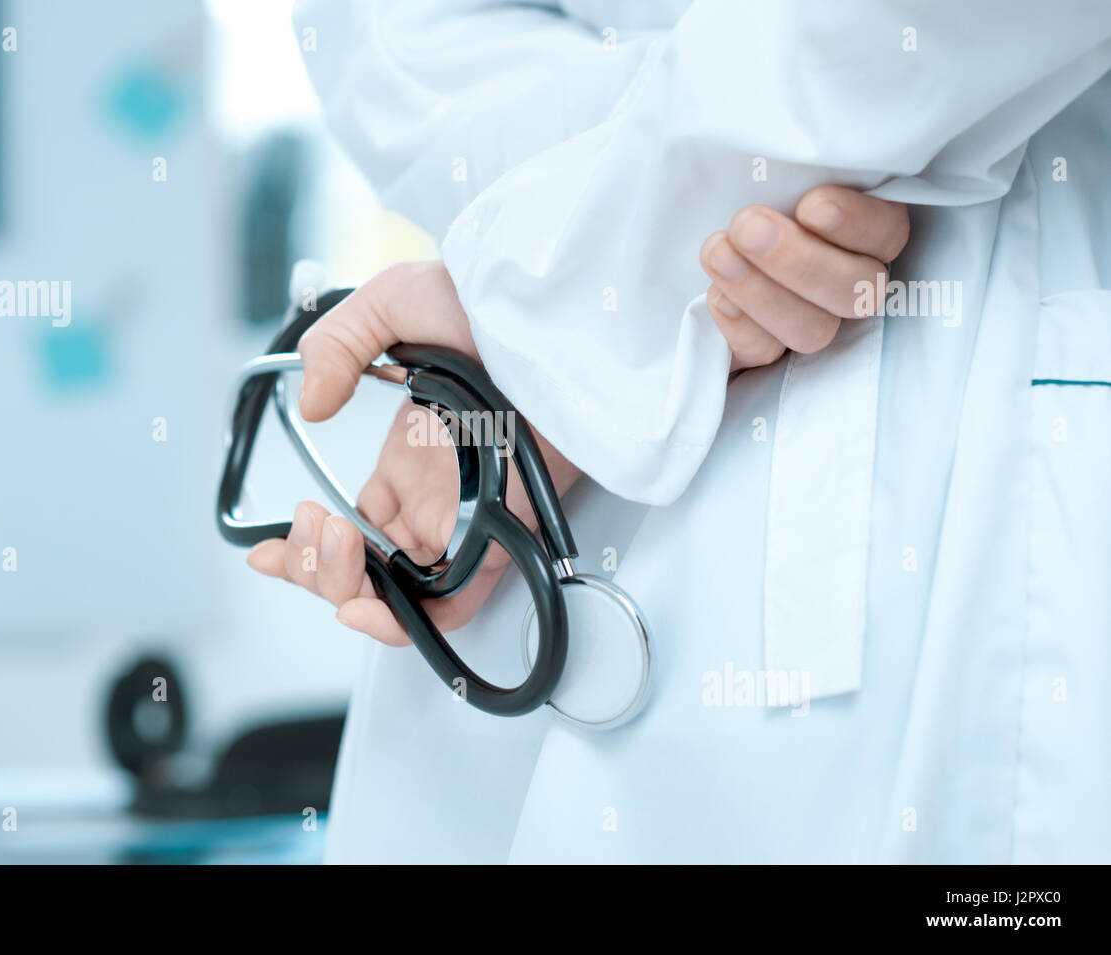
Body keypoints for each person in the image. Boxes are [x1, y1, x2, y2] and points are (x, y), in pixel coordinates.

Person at [249, 0, 1111, 862]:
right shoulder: (551, 271)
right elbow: (384, 29)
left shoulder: (550, 288)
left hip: (984, 353)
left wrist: (588, 270)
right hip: (521, 452)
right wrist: (617, 220)